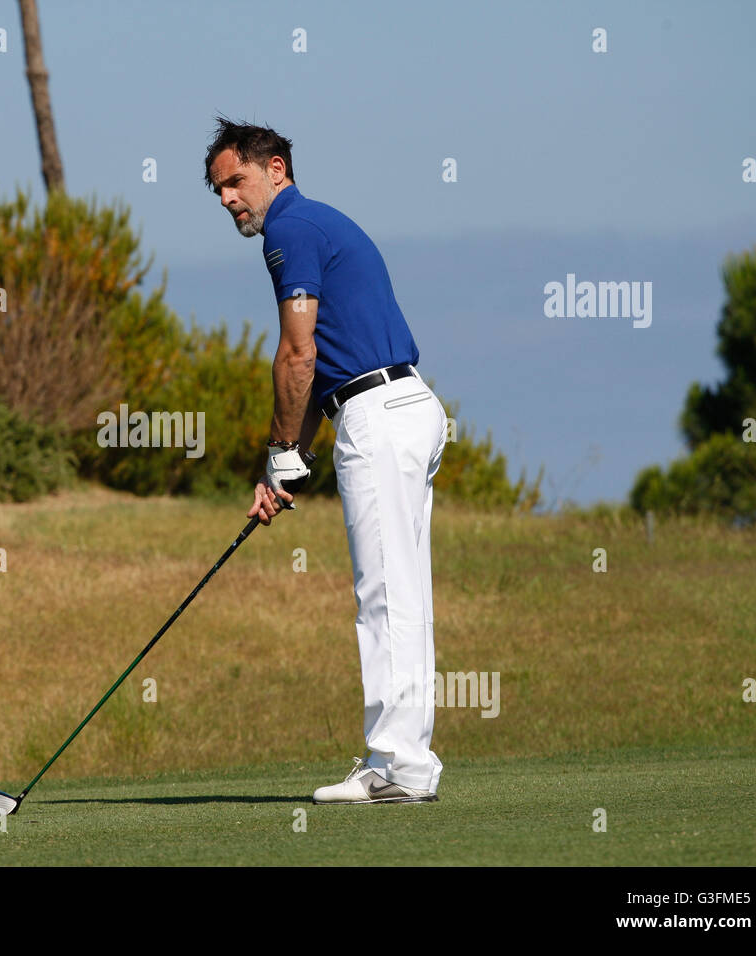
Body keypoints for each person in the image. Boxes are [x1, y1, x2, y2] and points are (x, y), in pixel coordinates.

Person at [203, 117, 447, 804]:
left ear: (275, 168)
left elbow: (297, 354)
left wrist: (283, 453)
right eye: (218, 190)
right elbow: (320, 366)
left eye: (235, 181)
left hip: (379, 418)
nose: (228, 199)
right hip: (403, 406)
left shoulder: (289, 229)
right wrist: (281, 464)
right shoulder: (318, 223)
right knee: (404, 593)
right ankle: (411, 766)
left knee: (384, 595)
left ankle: (393, 767)